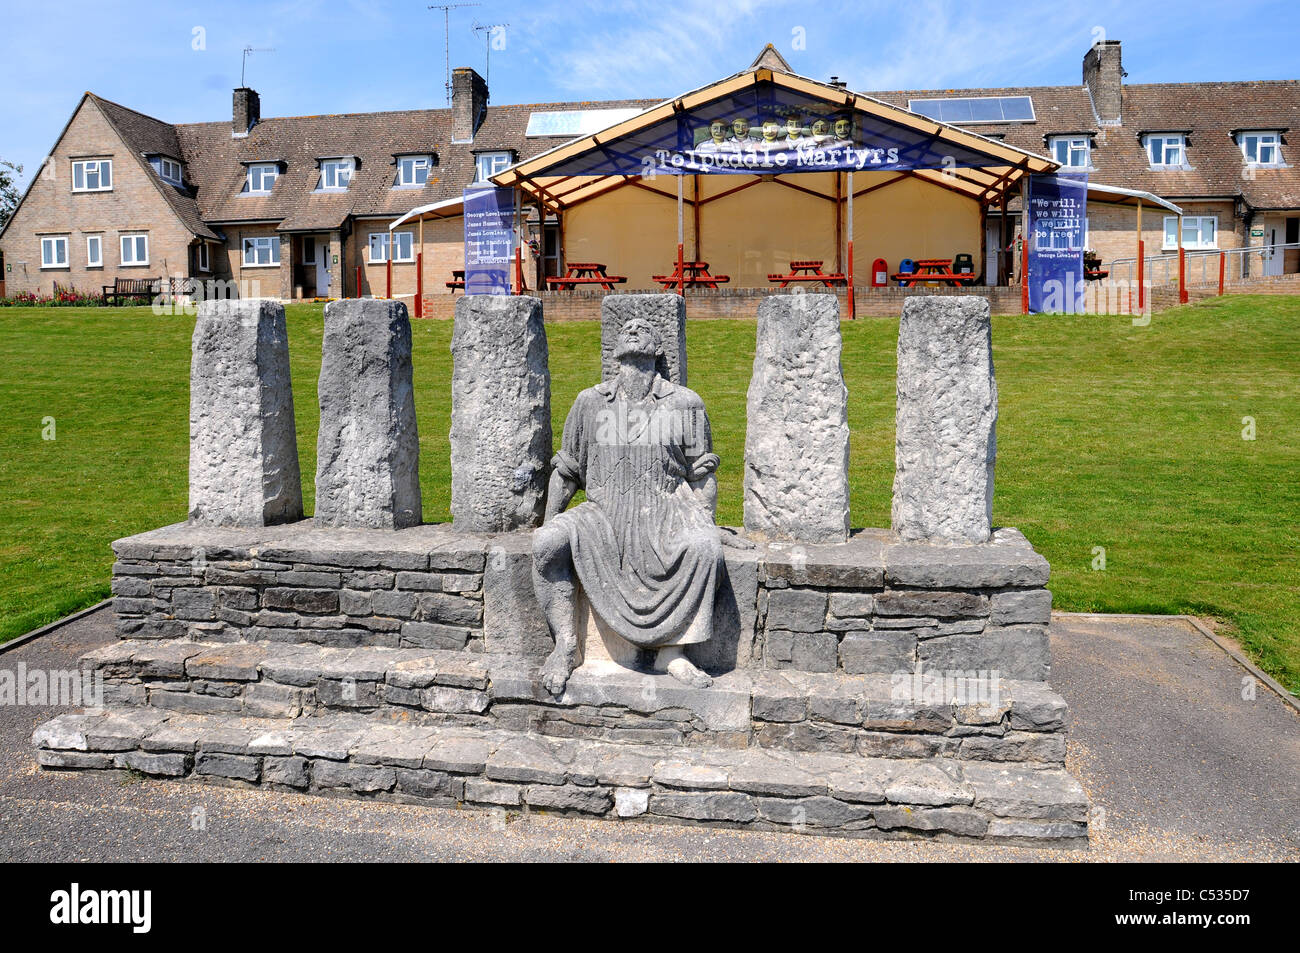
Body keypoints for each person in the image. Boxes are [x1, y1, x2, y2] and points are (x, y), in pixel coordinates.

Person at [531, 317, 723, 696]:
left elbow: (701, 473)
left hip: (667, 507)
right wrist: (550, 519)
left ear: (658, 349)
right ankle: (565, 643)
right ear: (614, 348)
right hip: (601, 513)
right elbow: (567, 470)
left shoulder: (685, 403)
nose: (634, 329)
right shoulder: (590, 402)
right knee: (545, 545)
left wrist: (706, 518)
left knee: (704, 548)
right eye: (627, 328)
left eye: (644, 328)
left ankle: (674, 652)